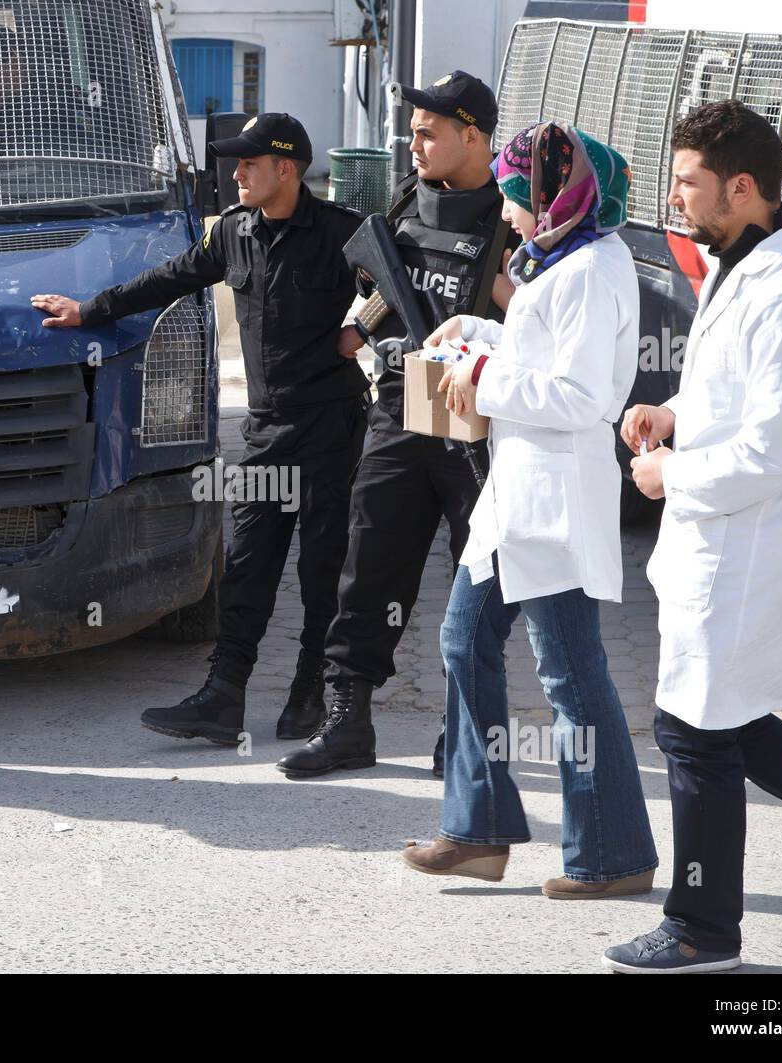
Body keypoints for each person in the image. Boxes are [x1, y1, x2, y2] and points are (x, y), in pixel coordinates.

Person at [605, 101, 782, 973]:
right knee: (724, 722)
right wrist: (674, 411)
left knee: (693, 729)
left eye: (688, 183)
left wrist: (670, 475)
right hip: (716, 542)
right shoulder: (743, 264)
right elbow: (731, 396)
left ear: (742, 188)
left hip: (749, 544)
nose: (674, 197)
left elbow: (773, 448)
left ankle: (702, 928)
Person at [32, 114, 369, 745]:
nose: (235, 173)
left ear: (286, 170)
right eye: (234, 162)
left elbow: (403, 283)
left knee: (325, 568)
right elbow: (169, 277)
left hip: (330, 428)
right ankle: (224, 697)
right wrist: (90, 310)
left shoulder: (340, 232)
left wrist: (365, 332)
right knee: (247, 565)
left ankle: (310, 694)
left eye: (248, 163)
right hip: (270, 433)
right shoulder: (235, 233)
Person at [399, 121, 658, 900]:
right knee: (461, 638)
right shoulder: (563, 254)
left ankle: (612, 854)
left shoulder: (590, 270)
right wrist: (477, 334)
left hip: (554, 505)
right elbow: (536, 353)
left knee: (571, 674)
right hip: (518, 499)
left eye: (515, 198)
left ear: (553, 194)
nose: (508, 213)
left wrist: (483, 377)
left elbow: (582, 396)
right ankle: (478, 830)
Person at [278, 71, 517, 778]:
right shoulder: (412, 198)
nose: (411, 143)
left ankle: (463, 730)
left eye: (427, 132)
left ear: (472, 135)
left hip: (479, 418)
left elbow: (539, 322)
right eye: (412, 130)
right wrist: (360, 332)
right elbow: (389, 283)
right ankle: (347, 722)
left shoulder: (512, 215)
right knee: (370, 565)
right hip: (405, 404)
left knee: (478, 582)